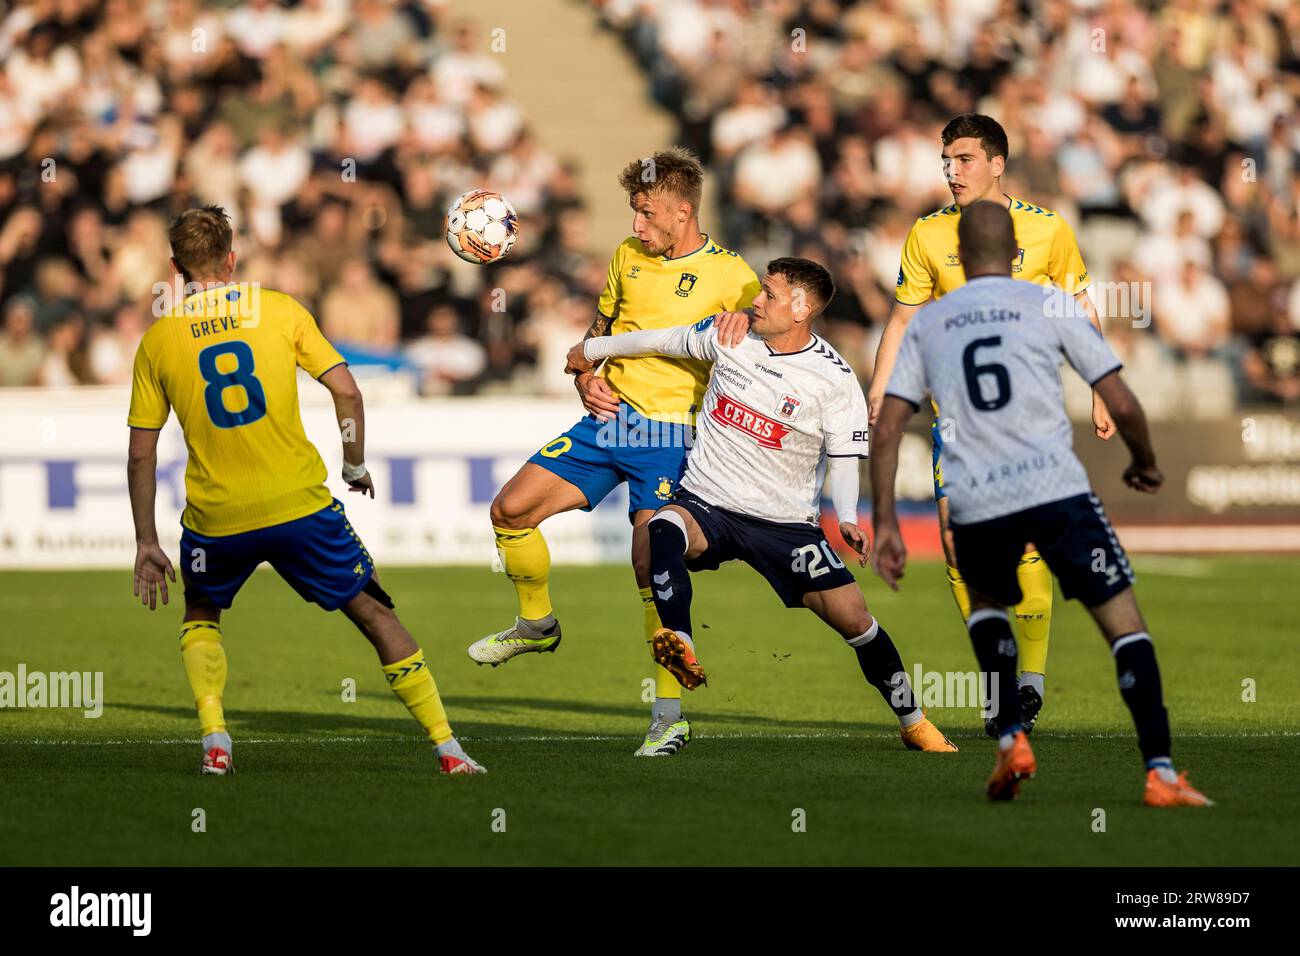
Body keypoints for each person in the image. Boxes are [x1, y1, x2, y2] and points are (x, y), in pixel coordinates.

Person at [870, 201, 1211, 806]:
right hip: (1054, 487)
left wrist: (889, 521)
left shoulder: (931, 322)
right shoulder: (1049, 303)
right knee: (1124, 624)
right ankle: (1159, 772)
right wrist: (1146, 461)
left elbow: (890, 426)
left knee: (987, 608)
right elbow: (1121, 398)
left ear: (964, 255)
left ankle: (1010, 744)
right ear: (1016, 252)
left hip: (976, 494)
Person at [127, 205, 484, 776]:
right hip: (299, 505)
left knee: (201, 609)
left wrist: (147, 540)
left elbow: (142, 451)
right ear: (232, 258)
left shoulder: (158, 340)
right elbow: (347, 391)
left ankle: (216, 739)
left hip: (216, 518)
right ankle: (447, 749)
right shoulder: (278, 310)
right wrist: (354, 463)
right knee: (373, 611)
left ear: (175, 267)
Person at [565, 257, 956, 755]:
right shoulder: (729, 336)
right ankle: (682, 644)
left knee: (857, 622)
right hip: (709, 504)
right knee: (662, 527)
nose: (755, 300)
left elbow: (841, 461)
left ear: (801, 308)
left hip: (786, 525)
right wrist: (591, 350)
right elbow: (656, 339)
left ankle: (913, 720)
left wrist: (850, 518)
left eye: (769, 294)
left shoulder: (834, 382)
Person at [468, 147, 761, 758]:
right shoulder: (627, 258)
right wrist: (584, 376)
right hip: (608, 422)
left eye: (647, 213)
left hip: (670, 436)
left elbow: (762, 354)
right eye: (633, 211)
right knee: (510, 511)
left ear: (683, 211)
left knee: (648, 565)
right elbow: (596, 339)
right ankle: (537, 625)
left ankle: (669, 717)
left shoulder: (733, 277)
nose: (635, 225)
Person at [867, 113, 1117, 736]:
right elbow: (902, 320)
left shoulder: (1048, 229)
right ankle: (1000, 682)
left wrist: (1102, 387)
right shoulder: (926, 235)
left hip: (1030, 418)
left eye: (966, 158)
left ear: (999, 162)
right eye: (945, 159)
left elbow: (1079, 304)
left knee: (1028, 542)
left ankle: (1027, 685)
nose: (952, 170)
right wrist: (880, 387)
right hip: (957, 422)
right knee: (957, 542)